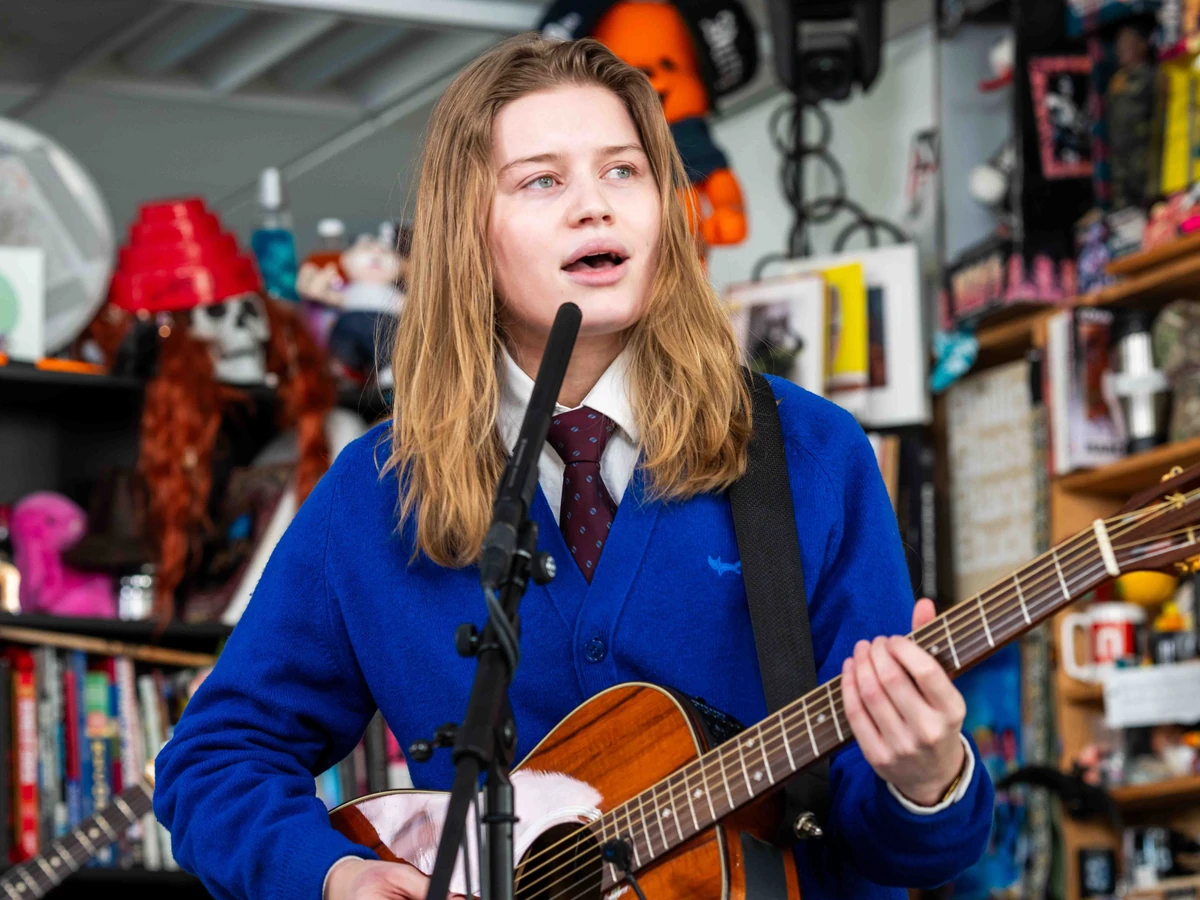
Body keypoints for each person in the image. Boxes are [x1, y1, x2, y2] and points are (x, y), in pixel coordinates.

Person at [152, 34, 994, 900]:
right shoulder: (374, 496)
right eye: (542, 179)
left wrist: (926, 778)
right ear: (466, 229)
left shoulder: (811, 454)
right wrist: (332, 875)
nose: (595, 207)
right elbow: (213, 761)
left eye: (623, 171)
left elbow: (901, 850)